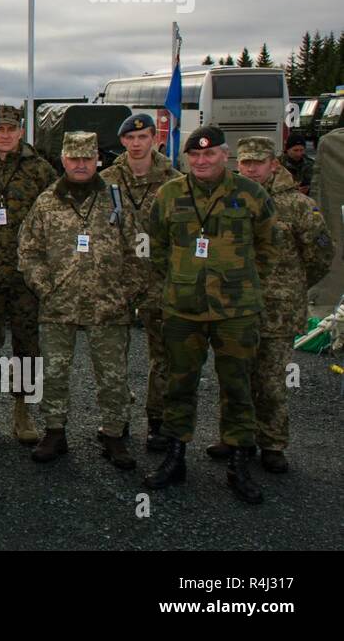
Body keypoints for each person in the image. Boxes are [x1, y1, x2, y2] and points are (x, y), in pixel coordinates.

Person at [144, 126, 275, 504]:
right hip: (183, 308)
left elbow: (267, 247)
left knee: (237, 386)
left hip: (236, 311)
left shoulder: (250, 194)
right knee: (179, 384)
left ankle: (238, 462)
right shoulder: (169, 194)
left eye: (210, 154)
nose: (202, 161)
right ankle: (176, 455)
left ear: (225, 155)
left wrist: (245, 283)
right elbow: (157, 248)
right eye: (195, 156)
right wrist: (180, 281)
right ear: (186, 159)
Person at [18, 132, 141, 469]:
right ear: (63, 160)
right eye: (74, 158)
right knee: (55, 373)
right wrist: (45, 288)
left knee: (113, 376)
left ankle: (114, 435)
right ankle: (55, 432)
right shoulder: (46, 202)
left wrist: (126, 291)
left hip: (108, 304)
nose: (81, 164)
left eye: (87, 158)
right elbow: (28, 251)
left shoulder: (116, 198)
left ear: (97, 159)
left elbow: (139, 248)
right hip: (60, 305)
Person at [214, 136, 333, 472]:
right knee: (234, 375)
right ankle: (235, 436)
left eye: (258, 163)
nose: (251, 169)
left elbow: (321, 254)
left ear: (273, 164)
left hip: (277, 309)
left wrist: (295, 285)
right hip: (234, 306)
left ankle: (273, 443)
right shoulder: (228, 197)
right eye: (246, 163)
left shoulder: (296, 205)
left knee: (270, 381)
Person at [0, 104, 57, 444]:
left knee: (27, 348)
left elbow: (55, 219)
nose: (4, 135)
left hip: (25, 278)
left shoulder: (40, 170)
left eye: (10, 129)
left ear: (20, 132)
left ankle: (23, 413)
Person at [99, 112, 181, 450]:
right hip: (116, 279)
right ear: (122, 142)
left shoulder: (174, 180)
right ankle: (115, 423)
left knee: (162, 355)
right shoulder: (105, 179)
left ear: (154, 138)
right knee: (111, 356)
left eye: (143, 137)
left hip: (157, 278)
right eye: (130, 139)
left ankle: (158, 421)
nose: (136, 144)